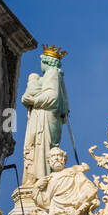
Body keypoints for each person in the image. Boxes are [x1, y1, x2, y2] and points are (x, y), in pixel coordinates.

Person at [21, 46, 70, 182]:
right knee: (43, 148)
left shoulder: (52, 73)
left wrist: (33, 100)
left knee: (41, 148)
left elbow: (52, 97)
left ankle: (40, 178)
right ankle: (39, 177)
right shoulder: (57, 76)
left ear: (45, 62)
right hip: (48, 118)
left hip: (45, 118)